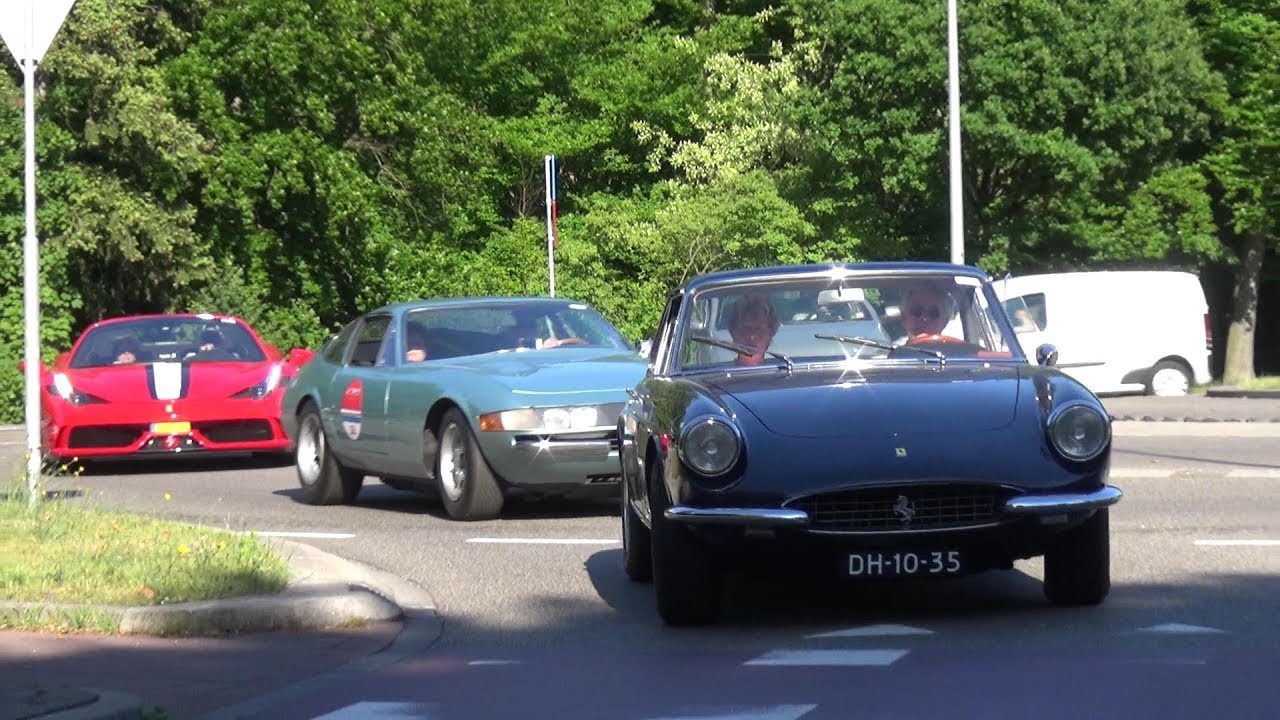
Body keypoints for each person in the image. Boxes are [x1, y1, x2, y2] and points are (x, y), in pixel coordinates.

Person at [727, 293, 780, 366]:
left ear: (771, 333)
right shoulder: (717, 375)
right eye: (746, 328)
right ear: (733, 332)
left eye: (758, 329)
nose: (752, 336)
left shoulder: (785, 374)